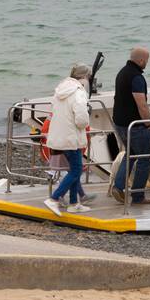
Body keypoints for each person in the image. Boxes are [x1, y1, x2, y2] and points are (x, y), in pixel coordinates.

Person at [44, 63, 94, 216]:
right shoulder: (79, 92)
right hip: (71, 138)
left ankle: (74, 203)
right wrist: (86, 121)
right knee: (76, 170)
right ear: (84, 77)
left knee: (74, 169)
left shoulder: (60, 90)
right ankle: (54, 198)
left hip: (59, 136)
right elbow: (81, 119)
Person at [111, 46, 150, 205]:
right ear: (141, 60)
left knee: (130, 155)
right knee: (144, 159)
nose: (147, 64)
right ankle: (138, 196)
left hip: (120, 123)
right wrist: (147, 123)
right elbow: (141, 104)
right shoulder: (136, 77)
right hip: (135, 125)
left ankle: (118, 186)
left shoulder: (122, 73)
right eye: (146, 61)